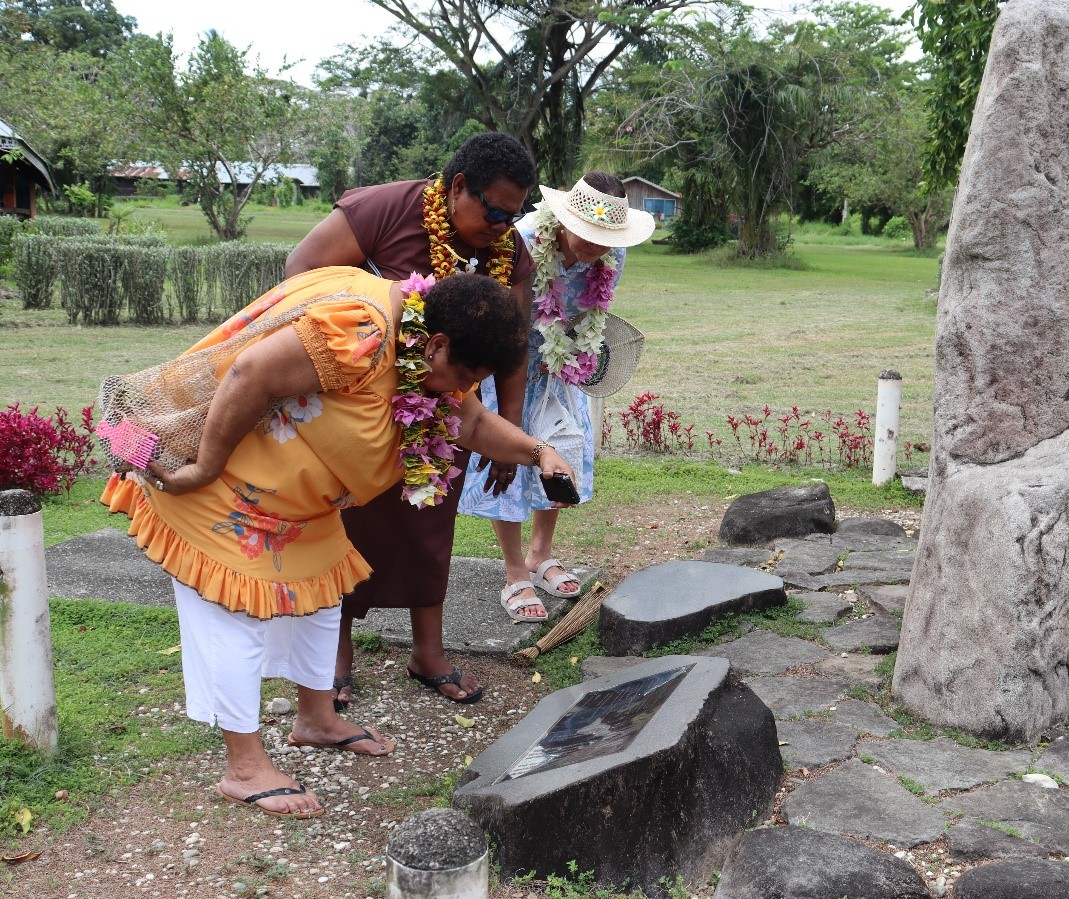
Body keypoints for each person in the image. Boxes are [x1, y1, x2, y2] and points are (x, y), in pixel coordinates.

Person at [100, 268, 577, 818]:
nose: (460, 388)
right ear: (438, 344)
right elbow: (250, 372)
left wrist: (538, 451)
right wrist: (205, 466)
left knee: (324, 608)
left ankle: (316, 719)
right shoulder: (363, 332)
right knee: (235, 619)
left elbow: (467, 422)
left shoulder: (425, 352)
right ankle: (245, 766)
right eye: (464, 373)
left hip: (302, 514)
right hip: (228, 498)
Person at [285, 132, 537, 708]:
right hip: (356, 403)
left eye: (513, 214)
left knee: (430, 526)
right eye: (492, 210)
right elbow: (300, 272)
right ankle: (336, 658)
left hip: (445, 411)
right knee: (343, 526)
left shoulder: (510, 252)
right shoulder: (380, 209)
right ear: (455, 189)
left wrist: (511, 434)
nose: (502, 225)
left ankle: (428, 653)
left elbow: (513, 344)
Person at [458, 173, 655, 621]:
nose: (595, 245)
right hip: (507, 363)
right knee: (507, 456)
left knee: (559, 451)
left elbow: (592, 310)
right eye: (586, 233)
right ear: (563, 219)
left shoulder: (613, 255)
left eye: (606, 238)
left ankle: (540, 553)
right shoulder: (522, 240)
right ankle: (514, 572)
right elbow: (491, 304)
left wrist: (566, 352)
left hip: (560, 365)